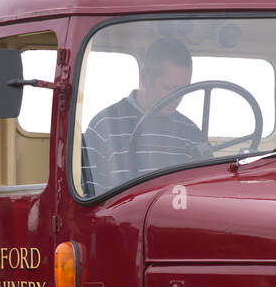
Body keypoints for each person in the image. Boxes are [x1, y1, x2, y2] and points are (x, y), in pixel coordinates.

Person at [81, 37, 209, 195]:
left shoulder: (191, 132)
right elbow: (90, 197)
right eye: (168, 87)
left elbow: (204, 192)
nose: (177, 98)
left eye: (183, 90)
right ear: (144, 77)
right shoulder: (103, 127)